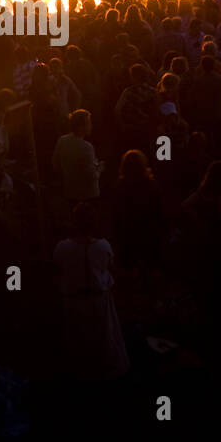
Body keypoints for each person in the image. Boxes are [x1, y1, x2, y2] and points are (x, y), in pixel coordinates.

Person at [52, 203, 130, 381]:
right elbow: (111, 268)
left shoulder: (63, 248)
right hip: (98, 300)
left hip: (74, 300)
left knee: (78, 339)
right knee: (103, 337)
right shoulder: (103, 246)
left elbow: (57, 269)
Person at [52, 109, 103, 204]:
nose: (91, 126)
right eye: (89, 123)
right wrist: (99, 169)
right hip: (88, 195)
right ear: (80, 127)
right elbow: (92, 176)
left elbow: (56, 165)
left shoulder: (62, 140)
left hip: (69, 192)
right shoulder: (87, 147)